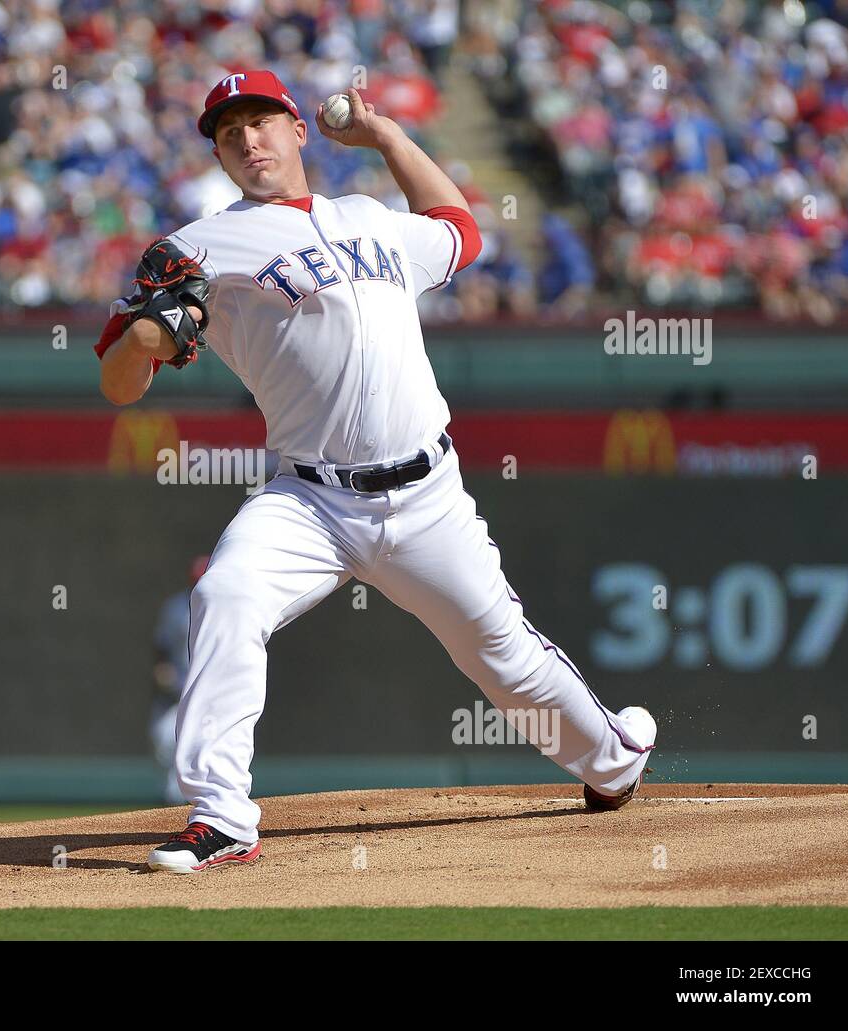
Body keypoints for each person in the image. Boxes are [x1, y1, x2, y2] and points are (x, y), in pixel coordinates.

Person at [94, 71, 656, 875]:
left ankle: (612, 759)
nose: (248, 141)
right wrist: (146, 339)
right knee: (224, 594)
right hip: (308, 500)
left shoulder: (371, 220)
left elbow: (462, 229)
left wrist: (389, 138)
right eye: (228, 133)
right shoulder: (197, 247)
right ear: (219, 155)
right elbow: (118, 384)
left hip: (427, 495)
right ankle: (221, 814)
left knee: (502, 655)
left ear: (296, 129)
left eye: (260, 122)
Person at [150, 555, 211, 805]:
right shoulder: (176, 608)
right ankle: (172, 810)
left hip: (209, 693)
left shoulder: (226, 605)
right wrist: (162, 673)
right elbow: (160, 649)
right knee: (166, 746)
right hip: (176, 692)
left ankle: (207, 806)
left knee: (206, 752)